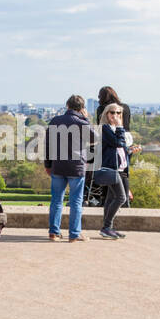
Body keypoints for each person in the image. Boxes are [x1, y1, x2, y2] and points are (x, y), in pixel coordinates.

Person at [44, 96, 93, 243]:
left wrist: (48, 164)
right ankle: (74, 234)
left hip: (58, 165)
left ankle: (53, 233)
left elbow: (48, 145)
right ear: (82, 108)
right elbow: (94, 137)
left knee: (56, 201)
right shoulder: (81, 122)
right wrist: (86, 120)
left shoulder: (55, 121)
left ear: (67, 105)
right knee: (76, 202)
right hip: (76, 167)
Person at [96, 86, 137, 206]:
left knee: (111, 176)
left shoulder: (102, 109)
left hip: (113, 140)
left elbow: (101, 127)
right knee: (123, 172)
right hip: (126, 139)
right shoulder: (125, 107)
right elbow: (127, 125)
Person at [96, 104, 130, 240]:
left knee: (111, 199)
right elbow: (117, 143)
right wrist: (121, 127)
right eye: (112, 112)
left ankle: (108, 228)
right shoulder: (105, 128)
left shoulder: (114, 129)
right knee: (121, 197)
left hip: (118, 168)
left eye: (118, 113)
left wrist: (129, 151)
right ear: (106, 114)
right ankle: (106, 228)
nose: (115, 115)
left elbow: (121, 148)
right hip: (110, 168)